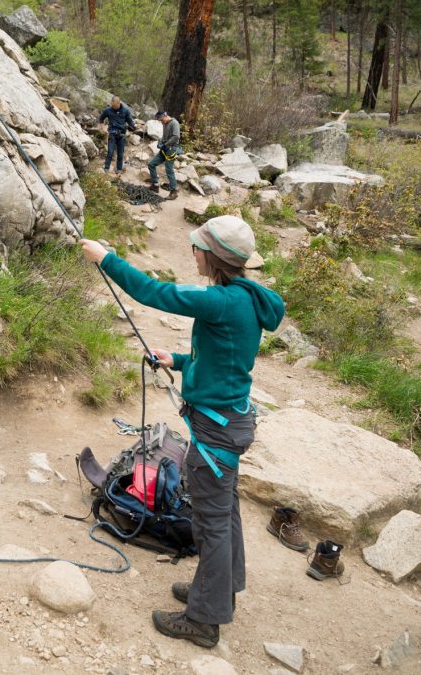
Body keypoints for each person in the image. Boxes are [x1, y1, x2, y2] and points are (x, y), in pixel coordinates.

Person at [79, 215, 284, 649]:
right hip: (229, 420)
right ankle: (219, 591)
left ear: (212, 256)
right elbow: (225, 361)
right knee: (223, 514)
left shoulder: (222, 301)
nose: (191, 252)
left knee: (210, 523)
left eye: (196, 246)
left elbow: (158, 293)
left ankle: (204, 620)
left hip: (215, 431)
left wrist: (106, 260)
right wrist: (177, 359)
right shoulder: (245, 298)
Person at [98, 95, 136, 177]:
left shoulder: (126, 111)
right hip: (112, 134)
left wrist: (134, 126)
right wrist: (103, 127)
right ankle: (106, 168)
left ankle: (119, 170)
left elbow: (130, 121)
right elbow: (101, 118)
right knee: (110, 152)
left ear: (119, 103)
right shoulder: (108, 110)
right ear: (111, 103)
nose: (114, 107)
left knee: (120, 154)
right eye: (113, 105)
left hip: (121, 135)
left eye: (115, 105)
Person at [148, 110, 181, 200]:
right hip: (165, 148)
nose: (161, 122)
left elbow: (176, 136)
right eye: (160, 120)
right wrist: (160, 141)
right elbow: (165, 136)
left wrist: (166, 144)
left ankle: (174, 191)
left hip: (171, 149)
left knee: (169, 169)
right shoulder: (165, 123)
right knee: (151, 164)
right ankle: (155, 185)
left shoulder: (174, 123)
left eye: (162, 120)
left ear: (165, 115)